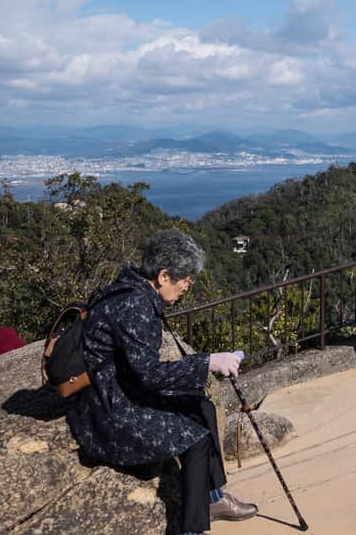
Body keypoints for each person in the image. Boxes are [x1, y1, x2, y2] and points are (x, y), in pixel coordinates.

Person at [65, 229, 257, 535]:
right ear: (164, 276)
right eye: (186, 280)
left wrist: (203, 366)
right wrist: (208, 361)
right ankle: (191, 528)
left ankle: (213, 497)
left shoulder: (133, 289)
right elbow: (150, 374)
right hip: (108, 410)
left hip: (119, 390)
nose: (187, 287)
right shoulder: (133, 306)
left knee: (201, 406)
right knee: (194, 438)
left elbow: (140, 370)